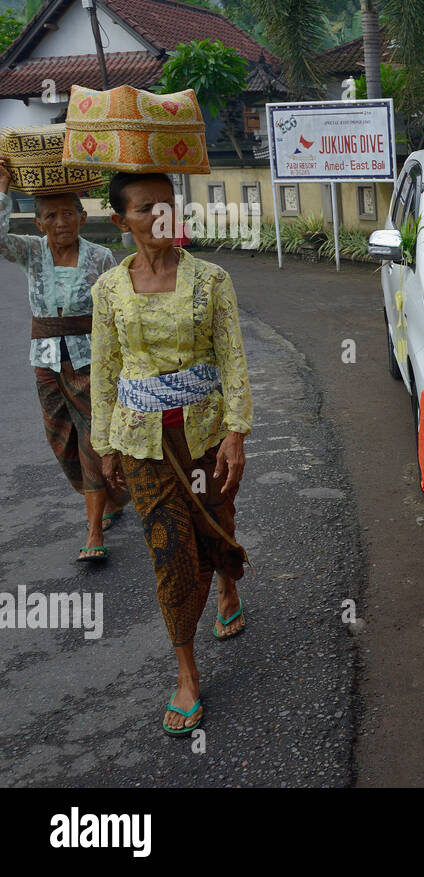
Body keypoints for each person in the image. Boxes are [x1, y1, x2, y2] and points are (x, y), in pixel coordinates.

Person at [90, 171, 254, 736]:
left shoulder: (211, 280)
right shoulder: (108, 291)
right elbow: (105, 371)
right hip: (141, 441)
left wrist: (236, 431)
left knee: (214, 522)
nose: (160, 216)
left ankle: (228, 585)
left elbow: (232, 357)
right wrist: (104, 443)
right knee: (169, 549)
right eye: (144, 209)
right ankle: (186, 672)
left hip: (204, 434)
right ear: (120, 221)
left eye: (168, 205)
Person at [0, 156, 127, 559]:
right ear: (37, 223)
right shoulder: (31, 253)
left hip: (90, 361)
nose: (61, 222)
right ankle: (111, 498)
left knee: (92, 440)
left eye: (68, 213)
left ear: (82, 217)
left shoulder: (100, 258)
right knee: (61, 442)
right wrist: (2, 187)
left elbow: (112, 313)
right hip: (46, 361)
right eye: (51, 216)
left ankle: (93, 534)